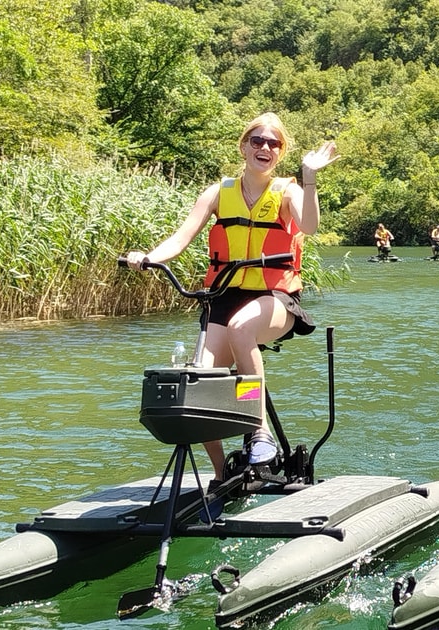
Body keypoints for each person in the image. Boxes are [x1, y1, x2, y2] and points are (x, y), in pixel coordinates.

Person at [125, 112, 340, 485]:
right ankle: (222, 473)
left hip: (275, 297)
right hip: (224, 296)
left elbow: (309, 225)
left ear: (281, 152)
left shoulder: (288, 191)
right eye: (257, 141)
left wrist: (309, 175)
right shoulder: (217, 193)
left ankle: (260, 432)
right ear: (244, 146)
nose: (265, 148)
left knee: (242, 328)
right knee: (198, 385)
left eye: (273, 143)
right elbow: (181, 237)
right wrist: (148, 257)